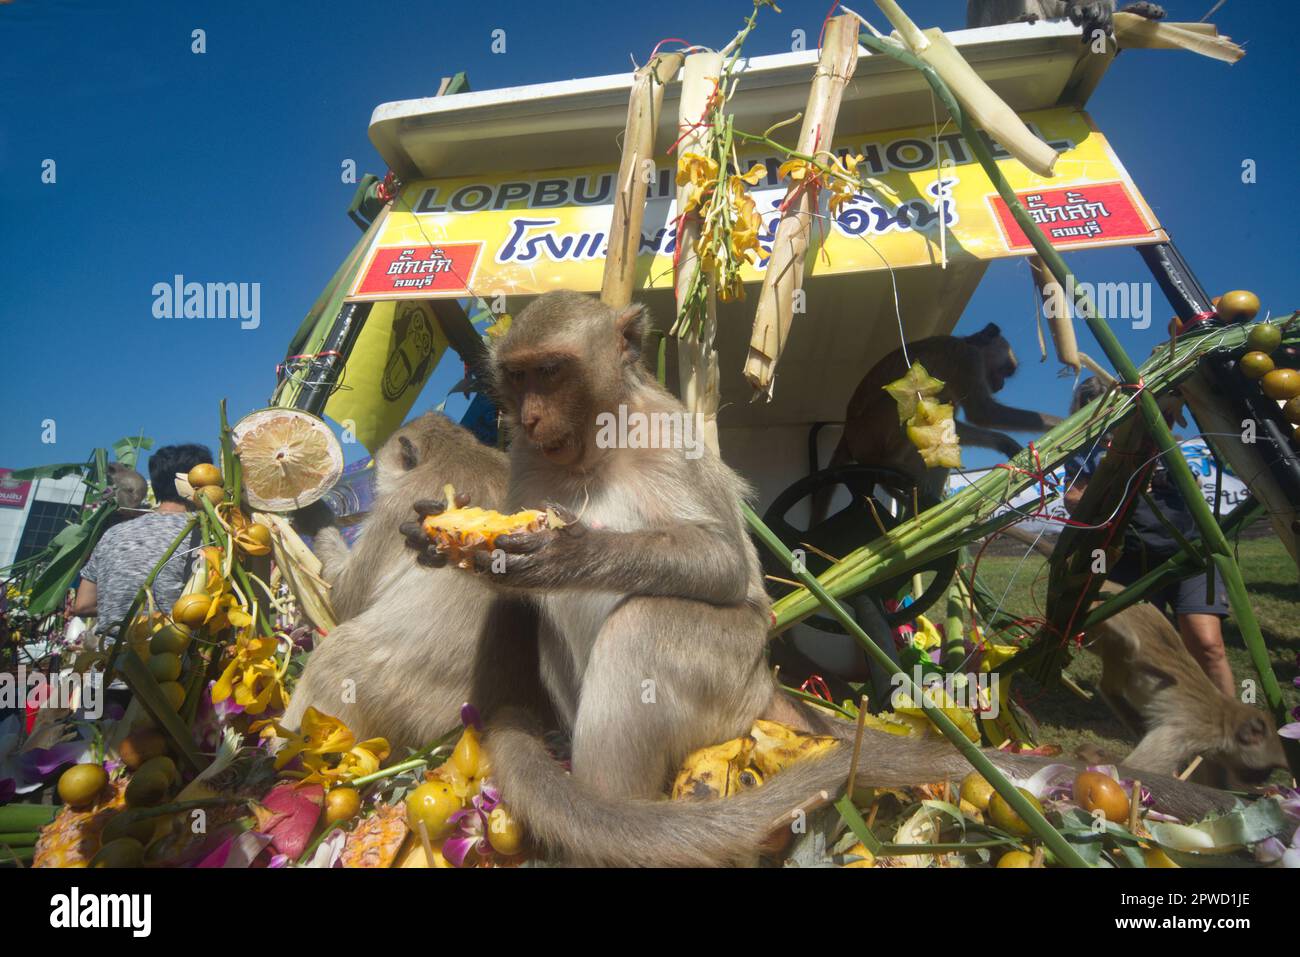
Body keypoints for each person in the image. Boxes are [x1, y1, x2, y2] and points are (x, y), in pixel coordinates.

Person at [1061, 378, 1236, 697]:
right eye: (1098, 407)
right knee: (1148, 650)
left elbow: (1193, 487)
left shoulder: (1161, 436)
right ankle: (1170, 720)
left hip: (1189, 552)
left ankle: (1231, 727)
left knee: (1208, 645)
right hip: (1129, 560)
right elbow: (1072, 499)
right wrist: (1114, 486)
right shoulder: (1085, 452)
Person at [71, 444, 213, 631]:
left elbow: (83, 604)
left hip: (106, 655)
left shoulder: (113, 534)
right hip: (168, 654)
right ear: (199, 482)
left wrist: (124, 611)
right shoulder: (204, 537)